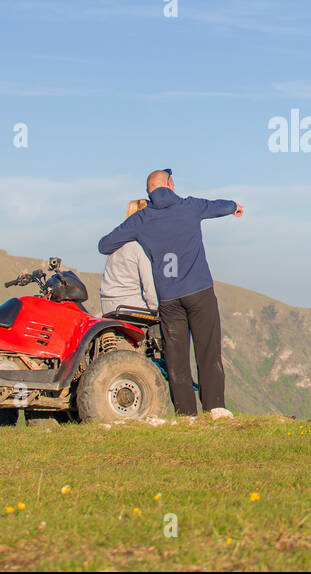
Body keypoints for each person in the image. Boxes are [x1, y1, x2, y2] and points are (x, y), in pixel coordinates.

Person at [97, 169, 243, 418]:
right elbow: (217, 206)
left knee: (176, 358)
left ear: (148, 192)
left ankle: (186, 413)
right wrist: (234, 206)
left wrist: (142, 238)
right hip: (199, 292)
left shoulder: (141, 220)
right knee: (208, 350)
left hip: (169, 299)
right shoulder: (191, 207)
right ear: (171, 185)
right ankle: (215, 408)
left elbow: (105, 245)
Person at [99, 199, 158, 315]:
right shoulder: (139, 247)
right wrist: (157, 309)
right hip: (131, 306)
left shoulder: (115, 244)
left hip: (108, 306)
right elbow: (149, 289)